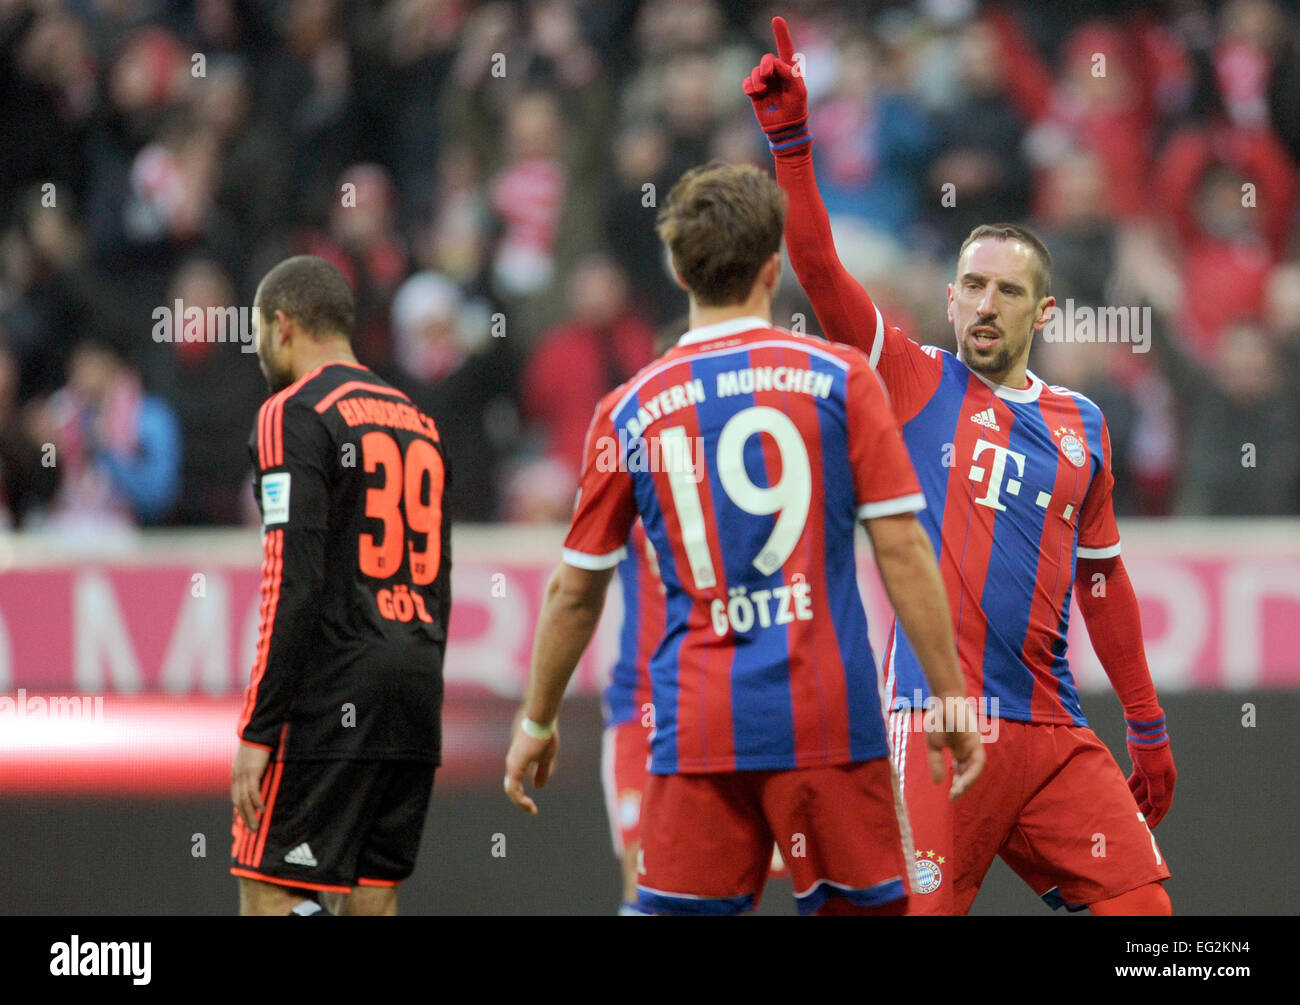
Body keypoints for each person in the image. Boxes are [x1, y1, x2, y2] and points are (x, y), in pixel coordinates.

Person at [745, 17, 1176, 915]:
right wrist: (791, 144)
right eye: (971, 286)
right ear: (948, 299)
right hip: (941, 726)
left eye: (1007, 290)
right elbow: (820, 268)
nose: (984, 304)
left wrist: (1147, 724)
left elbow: (1103, 583)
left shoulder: (1082, 424)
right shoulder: (911, 378)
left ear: (1042, 314)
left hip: (1054, 732)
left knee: (1150, 922)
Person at [504, 161, 983, 916]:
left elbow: (575, 589)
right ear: (771, 268)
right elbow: (903, 549)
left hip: (698, 728)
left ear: (677, 267)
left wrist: (538, 718)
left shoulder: (629, 410)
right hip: (829, 718)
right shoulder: (842, 379)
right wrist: (949, 697)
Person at [229, 255, 451, 916]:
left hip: (334, 684)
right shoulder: (417, 418)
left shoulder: (292, 411)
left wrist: (258, 728)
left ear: (282, 325)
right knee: (372, 900)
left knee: (267, 888)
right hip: (414, 682)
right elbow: (437, 578)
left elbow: (289, 582)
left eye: (258, 332)